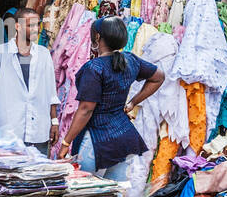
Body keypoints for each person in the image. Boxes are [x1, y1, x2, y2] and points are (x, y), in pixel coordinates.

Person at [58, 17, 165, 179]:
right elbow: (159, 77)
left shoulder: (94, 68)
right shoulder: (130, 60)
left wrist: (66, 142)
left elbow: (86, 109)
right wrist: (132, 102)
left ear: (98, 37)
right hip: (124, 137)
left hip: (96, 141)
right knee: (115, 196)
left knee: (84, 196)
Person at [0, 7, 59, 154]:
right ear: (17, 26)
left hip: (38, 132)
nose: (36, 29)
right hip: (6, 134)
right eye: (30, 25)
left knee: (38, 174)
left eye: (37, 25)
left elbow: (51, 93)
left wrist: (54, 122)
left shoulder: (44, 55)